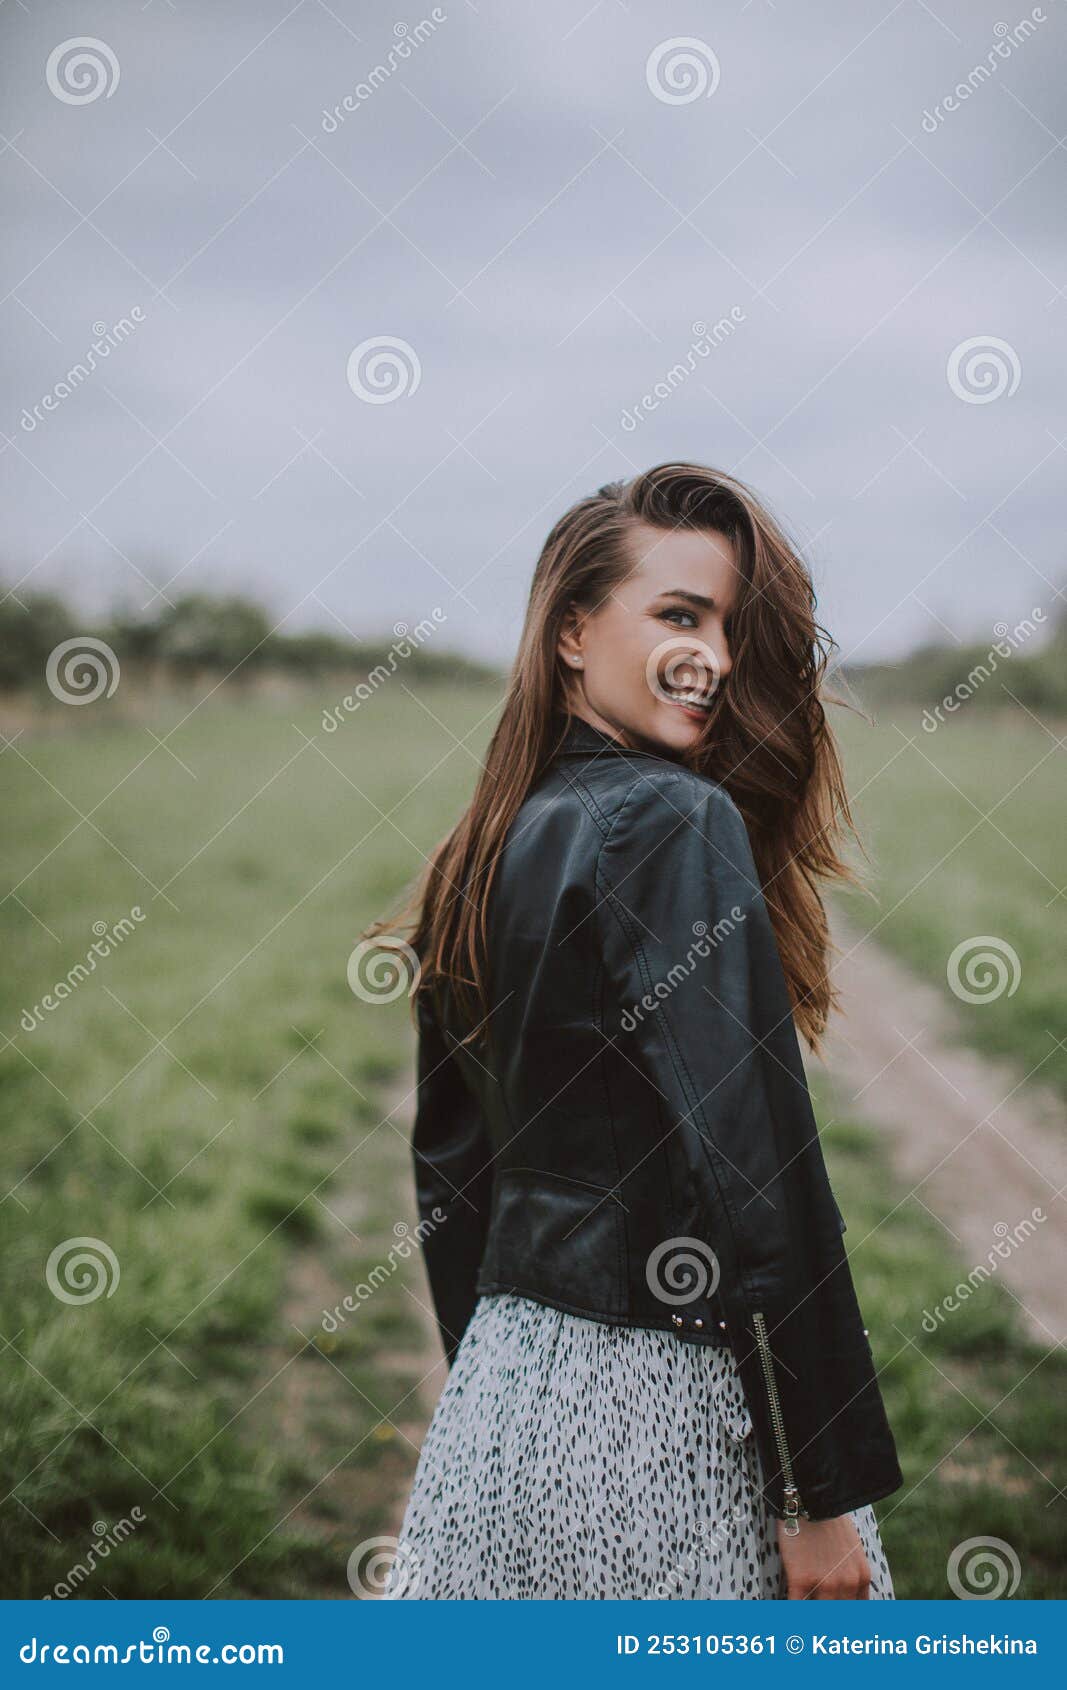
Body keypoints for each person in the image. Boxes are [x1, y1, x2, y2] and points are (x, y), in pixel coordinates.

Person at [373, 462, 902, 1600]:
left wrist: (496, 1385)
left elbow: (449, 1173)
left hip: (497, 1418)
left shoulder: (477, 848)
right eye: (675, 614)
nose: (710, 656)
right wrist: (814, 1490)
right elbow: (756, 1180)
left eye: (727, 627)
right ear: (571, 630)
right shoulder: (672, 820)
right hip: (663, 1424)